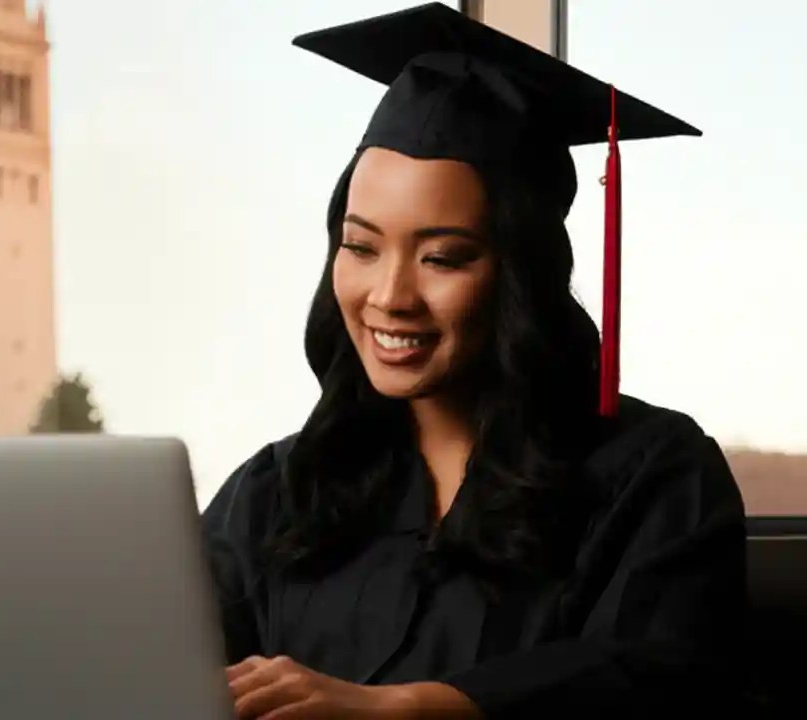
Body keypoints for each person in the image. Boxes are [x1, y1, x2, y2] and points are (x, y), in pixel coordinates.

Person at [203, 4, 748, 719]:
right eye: (361, 246)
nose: (390, 296)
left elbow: (659, 677)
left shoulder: (649, 478)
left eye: (443, 258)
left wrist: (403, 710)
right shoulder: (276, 492)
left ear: (519, 273)